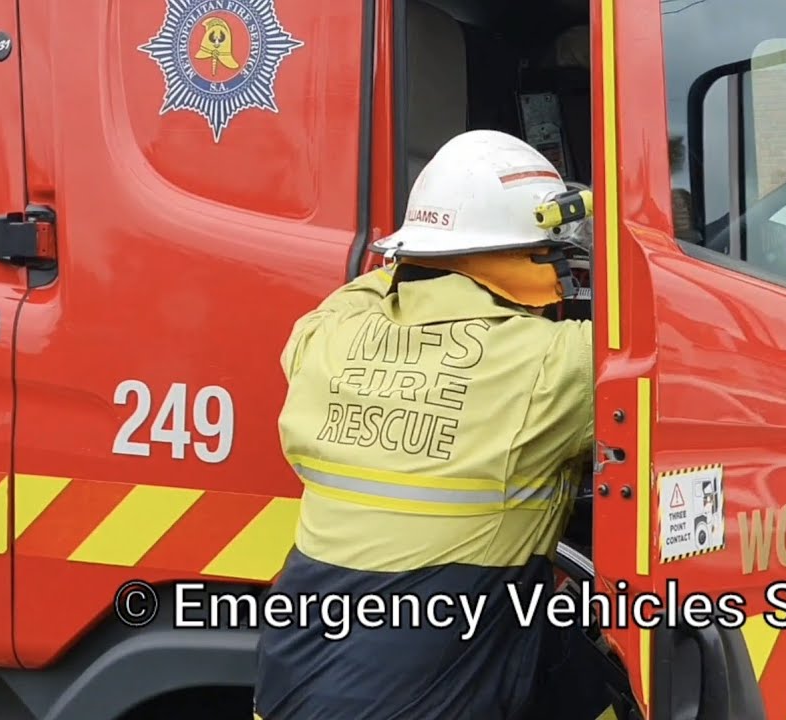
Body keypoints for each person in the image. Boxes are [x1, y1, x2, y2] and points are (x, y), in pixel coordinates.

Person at [252, 129, 615, 720]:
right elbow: (677, 348)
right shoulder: (553, 363)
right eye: (549, 254)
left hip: (292, 683)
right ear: (524, 259)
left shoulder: (327, 334)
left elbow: (373, 286)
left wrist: (427, 246)